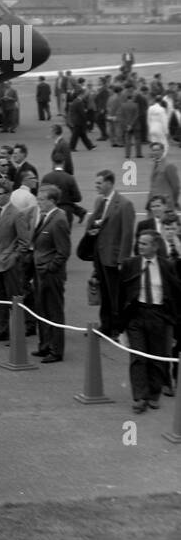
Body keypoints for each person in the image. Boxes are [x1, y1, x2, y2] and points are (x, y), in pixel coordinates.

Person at [120, 230, 180, 413]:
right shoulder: (130, 264)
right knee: (138, 356)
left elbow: (176, 293)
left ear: (155, 246)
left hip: (158, 315)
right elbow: (121, 293)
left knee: (156, 356)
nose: (141, 246)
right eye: (139, 243)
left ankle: (154, 394)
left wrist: (174, 321)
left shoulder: (166, 266)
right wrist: (120, 325)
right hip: (137, 315)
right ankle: (140, 397)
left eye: (145, 244)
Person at [87, 169, 137, 341]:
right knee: (105, 294)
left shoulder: (124, 204)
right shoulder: (100, 201)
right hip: (100, 256)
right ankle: (106, 325)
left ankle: (118, 328)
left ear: (109, 183)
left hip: (114, 258)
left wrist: (122, 259)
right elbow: (93, 223)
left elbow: (127, 234)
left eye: (99, 183)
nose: (96, 186)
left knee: (117, 296)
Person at [0, 178, 33, 343]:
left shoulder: (17, 214)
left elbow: (25, 242)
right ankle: (1, 330)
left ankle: (20, 331)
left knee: (14, 299)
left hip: (9, 264)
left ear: (9, 194)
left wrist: (14, 257)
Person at [30, 185, 71, 363]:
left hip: (51, 275)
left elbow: (63, 251)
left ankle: (56, 350)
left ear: (52, 201)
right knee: (42, 310)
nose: (38, 202)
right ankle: (45, 345)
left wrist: (50, 268)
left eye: (42, 199)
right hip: (41, 273)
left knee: (54, 312)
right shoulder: (46, 217)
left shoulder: (59, 219)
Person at [148, 142, 180, 210]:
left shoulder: (169, 165)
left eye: (157, 150)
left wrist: (174, 201)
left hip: (166, 204)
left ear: (162, 151)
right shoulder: (154, 164)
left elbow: (176, 186)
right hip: (154, 203)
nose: (155, 152)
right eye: (153, 150)